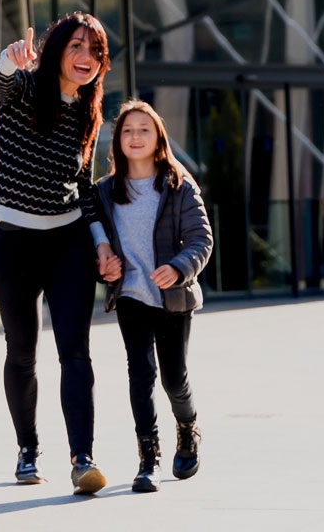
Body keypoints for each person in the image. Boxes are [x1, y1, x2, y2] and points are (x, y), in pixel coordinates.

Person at [0, 12, 118, 495]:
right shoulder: (21, 90)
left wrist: (101, 242)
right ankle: (27, 449)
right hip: (10, 243)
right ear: (57, 49)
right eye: (77, 47)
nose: (87, 59)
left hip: (68, 245)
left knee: (75, 353)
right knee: (21, 351)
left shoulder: (88, 112)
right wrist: (8, 58)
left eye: (96, 52)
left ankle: (83, 458)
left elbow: (83, 188)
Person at [93, 100, 213, 493]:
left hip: (173, 298)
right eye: (127, 130)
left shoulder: (178, 182)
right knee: (140, 375)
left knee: (174, 378)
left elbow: (201, 239)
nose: (135, 136)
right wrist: (102, 261)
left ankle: (187, 426)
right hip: (130, 295)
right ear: (118, 141)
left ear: (158, 136)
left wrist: (179, 268)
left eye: (144, 129)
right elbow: (92, 233)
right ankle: (149, 458)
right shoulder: (106, 191)